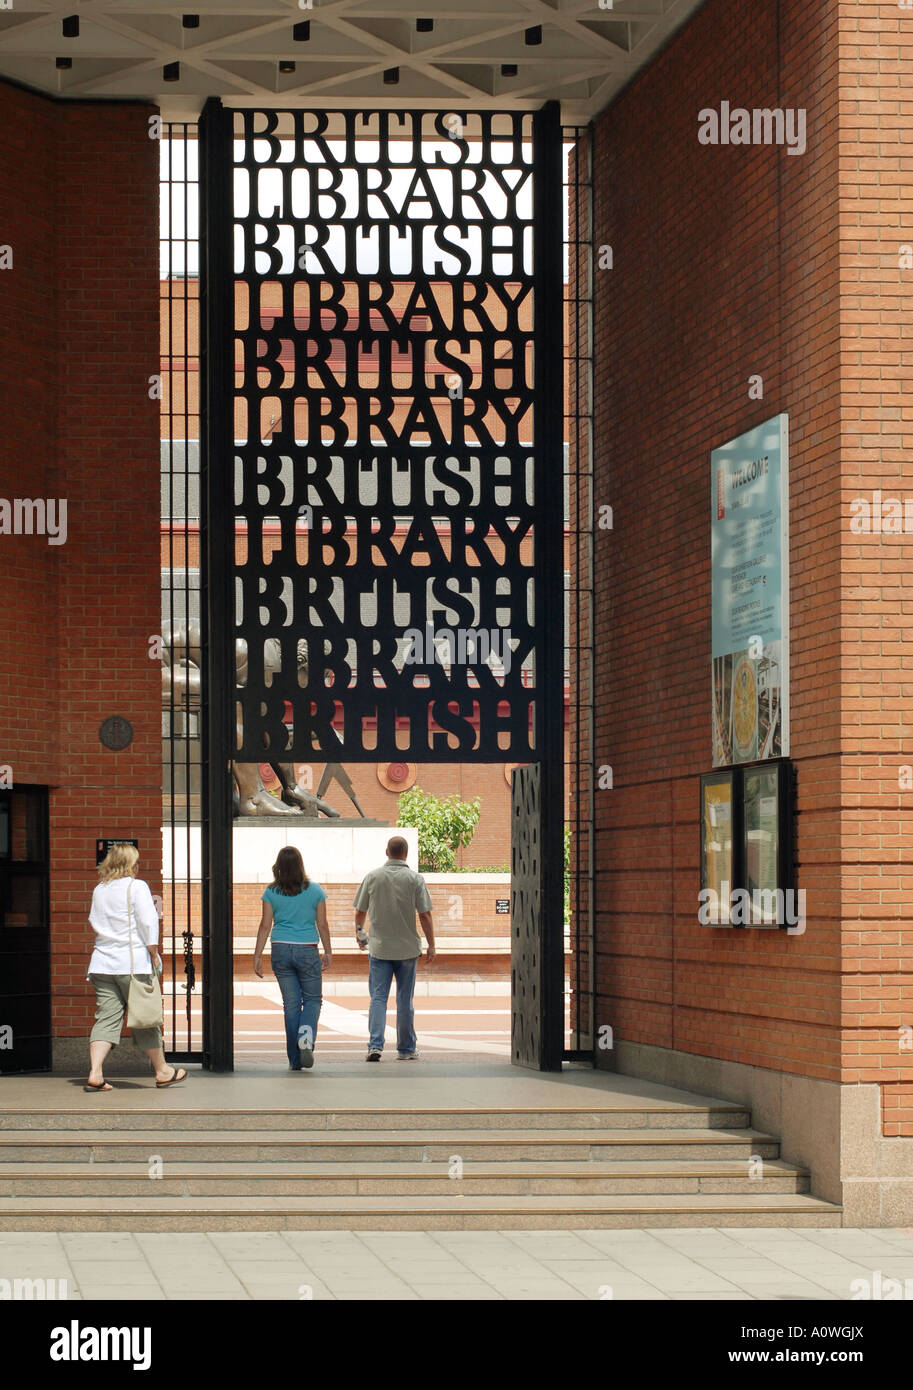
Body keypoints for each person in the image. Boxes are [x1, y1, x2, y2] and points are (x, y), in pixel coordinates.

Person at [86, 843, 187, 1092]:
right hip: (132, 964)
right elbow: (148, 920)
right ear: (130, 864)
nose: (139, 866)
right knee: (146, 1019)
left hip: (102, 963)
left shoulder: (100, 889)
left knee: (106, 1018)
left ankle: (95, 1072)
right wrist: (153, 950)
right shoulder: (136, 886)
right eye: (137, 862)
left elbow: (93, 920)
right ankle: (163, 1071)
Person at [354, 835, 435, 1061]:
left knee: (378, 998)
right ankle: (406, 1048)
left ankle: (375, 1045)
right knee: (404, 1000)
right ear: (405, 854)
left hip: (379, 948)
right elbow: (425, 915)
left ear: (387, 852)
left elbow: (360, 911)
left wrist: (359, 933)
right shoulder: (415, 879)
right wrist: (431, 945)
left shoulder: (373, 877)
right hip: (407, 949)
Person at [254, 846, 332, 1070]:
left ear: (278, 867)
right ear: (300, 865)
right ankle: (306, 1036)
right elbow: (323, 924)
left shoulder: (271, 892)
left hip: (280, 949)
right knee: (312, 999)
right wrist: (328, 951)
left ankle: (294, 1060)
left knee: (290, 1004)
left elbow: (265, 925)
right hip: (307, 948)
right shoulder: (315, 891)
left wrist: (257, 955)